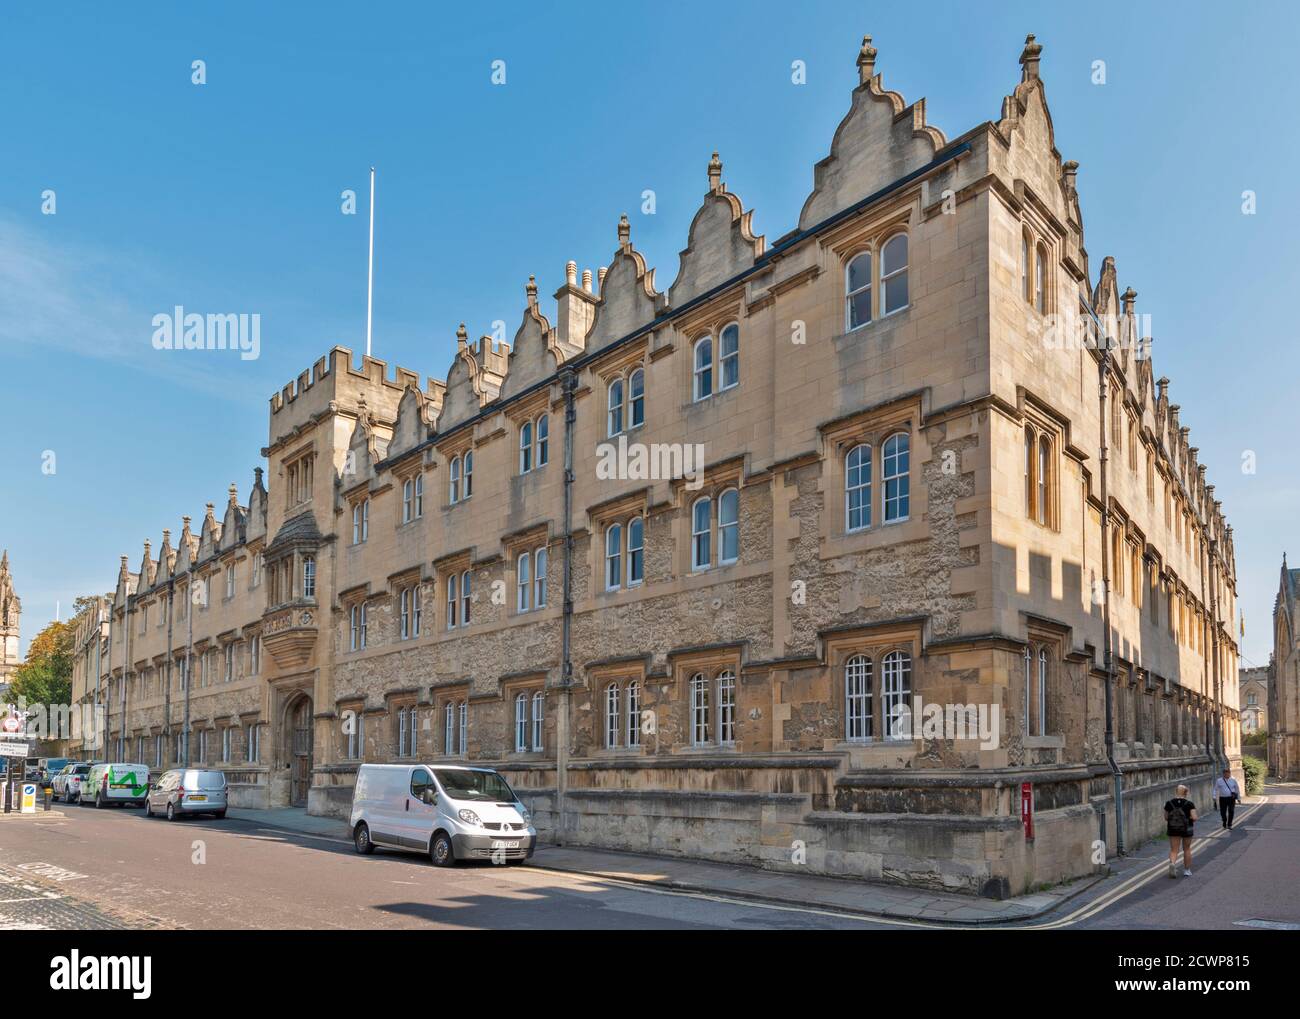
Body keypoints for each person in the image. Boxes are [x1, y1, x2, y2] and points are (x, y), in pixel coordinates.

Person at [1164, 784, 1198, 878]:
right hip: (1187, 828)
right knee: (1186, 849)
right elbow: (1195, 817)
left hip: (1173, 828)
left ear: (1176, 791)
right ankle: (1187, 870)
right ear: (1186, 793)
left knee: (1174, 850)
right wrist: (1188, 817)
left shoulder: (1169, 803)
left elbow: (1166, 817)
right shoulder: (1189, 803)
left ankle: (1173, 864)